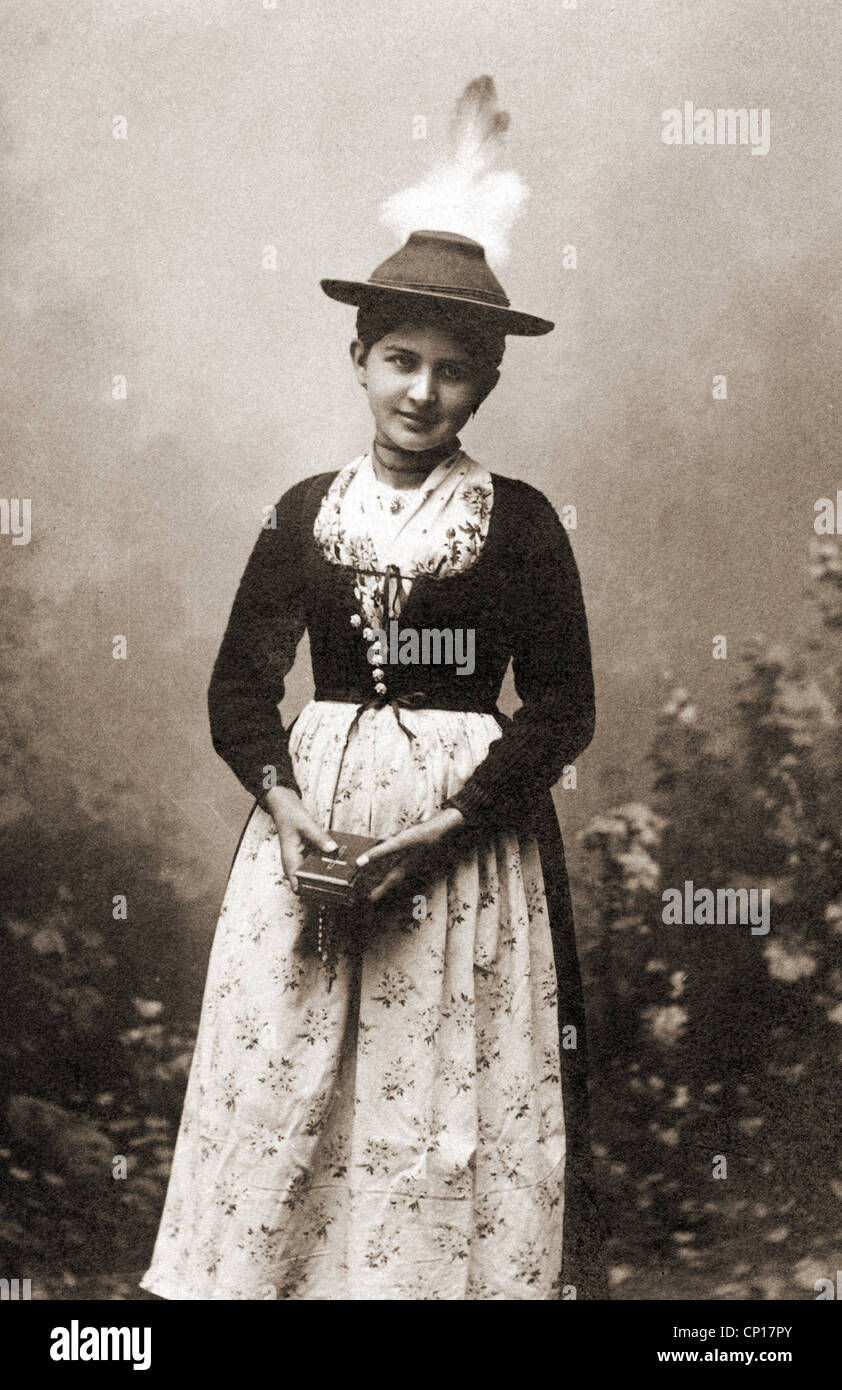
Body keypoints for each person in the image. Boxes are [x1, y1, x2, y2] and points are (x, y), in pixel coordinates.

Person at [140, 229, 606, 1300]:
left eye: (452, 370)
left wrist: (453, 822)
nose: (421, 391)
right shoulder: (303, 511)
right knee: (287, 1067)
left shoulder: (520, 521)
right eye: (400, 359)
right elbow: (238, 690)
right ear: (359, 360)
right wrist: (286, 809)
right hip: (309, 840)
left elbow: (564, 704)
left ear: (483, 385)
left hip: (465, 854)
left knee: (441, 1078)